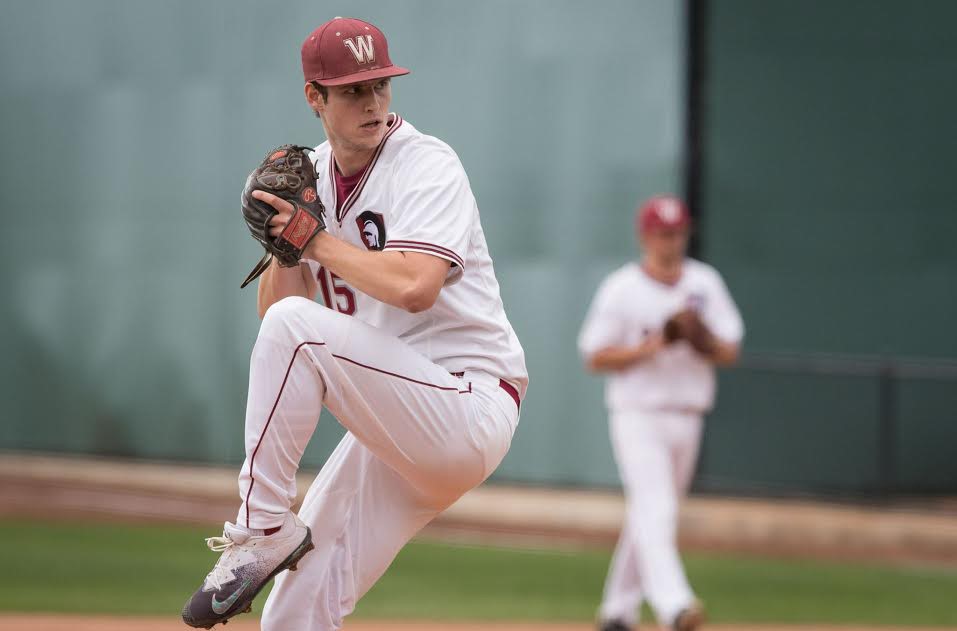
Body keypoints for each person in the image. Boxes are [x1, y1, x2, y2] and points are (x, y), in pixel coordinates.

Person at [182, 16, 527, 631]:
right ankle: (269, 537)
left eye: (380, 85)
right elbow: (276, 325)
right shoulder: (310, 175)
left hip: (466, 403)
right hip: (393, 421)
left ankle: (261, 528)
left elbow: (415, 288)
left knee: (297, 327)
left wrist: (313, 242)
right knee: (293, 613)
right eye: (351, 90)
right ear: (315, 97)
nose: (371, 101)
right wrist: (286, 249)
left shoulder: (426, 164)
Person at [577, 196, 743, 631]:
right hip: (638, 413)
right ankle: (675, 605)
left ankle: (617, 611)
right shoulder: (622, 287)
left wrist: (702, 339)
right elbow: (594, 355)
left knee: (647, 515)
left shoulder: (705, 283)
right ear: (645, 235)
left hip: (689, 413)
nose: (672, 241)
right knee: (658, 508)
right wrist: (655, 345)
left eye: (678, 232)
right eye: (663, 233)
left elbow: (730, 348)